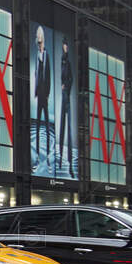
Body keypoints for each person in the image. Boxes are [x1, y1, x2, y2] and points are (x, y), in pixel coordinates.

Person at [33, 28, 51, 164]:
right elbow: (36, 74)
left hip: (45, 93)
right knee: (39, 123)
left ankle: (49, 153)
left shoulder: (46, 55)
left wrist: (48, 92)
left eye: (41, 40)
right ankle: (38, 152)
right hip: (39, 93)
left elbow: (48, 74)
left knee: (46, 123)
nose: (39, 43)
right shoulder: (37, 55)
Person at [57, 39, 74, 176]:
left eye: (66, 45)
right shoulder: (63, 61)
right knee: (63, 127)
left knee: (67, 128)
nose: (65, 47)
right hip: (64, 96)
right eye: (64, 45)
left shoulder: (67, 62)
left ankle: (67, 163)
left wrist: (66, 87)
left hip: (66, 96)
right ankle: (62, 161)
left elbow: (71, 79)